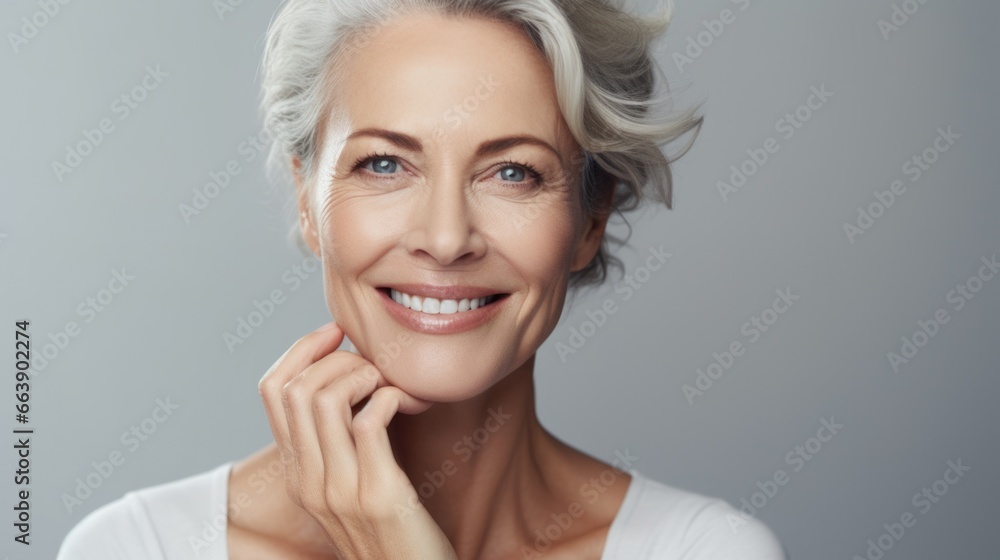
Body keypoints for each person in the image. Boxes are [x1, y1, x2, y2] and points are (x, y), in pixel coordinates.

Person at [58, 0, 787, 558]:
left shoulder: (700, 550)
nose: (445, 239)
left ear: (589, 217)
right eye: (384, 164)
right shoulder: (136, 548)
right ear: (309, 201)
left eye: (512, 172)